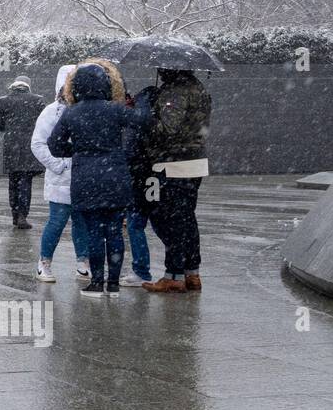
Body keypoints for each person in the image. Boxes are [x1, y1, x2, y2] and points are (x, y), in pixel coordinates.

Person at [47, 62, 133, 298]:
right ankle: (114, 284)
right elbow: (142, 123)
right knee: (115, 231)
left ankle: (96, 282)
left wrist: (76, 149)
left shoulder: (71, 113)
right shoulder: (116, 110)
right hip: (115, 177)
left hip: (86, 179)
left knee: (94, 231)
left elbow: (54, 145)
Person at [142, 69, 212, 293]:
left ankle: (173, 275)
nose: (160, 72)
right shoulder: (199, 88)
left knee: (171, 221)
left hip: (174, 163)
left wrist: (148, 114)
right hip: (195, 161)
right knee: (188, 219)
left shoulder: (175, 91)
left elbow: (167, 129)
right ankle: (193, 273)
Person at [30, 64, 90, 283]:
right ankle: (44, 262)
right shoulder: (50, 112)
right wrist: (59, 165)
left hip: (83, 176)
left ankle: (83, 262)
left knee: (82, 222)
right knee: (57, 221)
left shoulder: (86, 109)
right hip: (61, 178)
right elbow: (37, 144)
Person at [119, 86, 157, 287]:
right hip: (156, 174)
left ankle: (141, 271)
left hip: (138, 176)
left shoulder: (138, 116)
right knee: (162, 224)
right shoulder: (155, 112)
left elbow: (130, 150)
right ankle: (178, 271)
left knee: (135, 223)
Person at [0, 75, 45, 229]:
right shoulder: (38, 100)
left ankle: (15, 214)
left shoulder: (4, 100)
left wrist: (11, 129)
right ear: (28, 86)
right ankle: (23, 214)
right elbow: (43, 123)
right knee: (25, 181)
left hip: (11, 146)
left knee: (13, 181)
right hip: (29, 145)